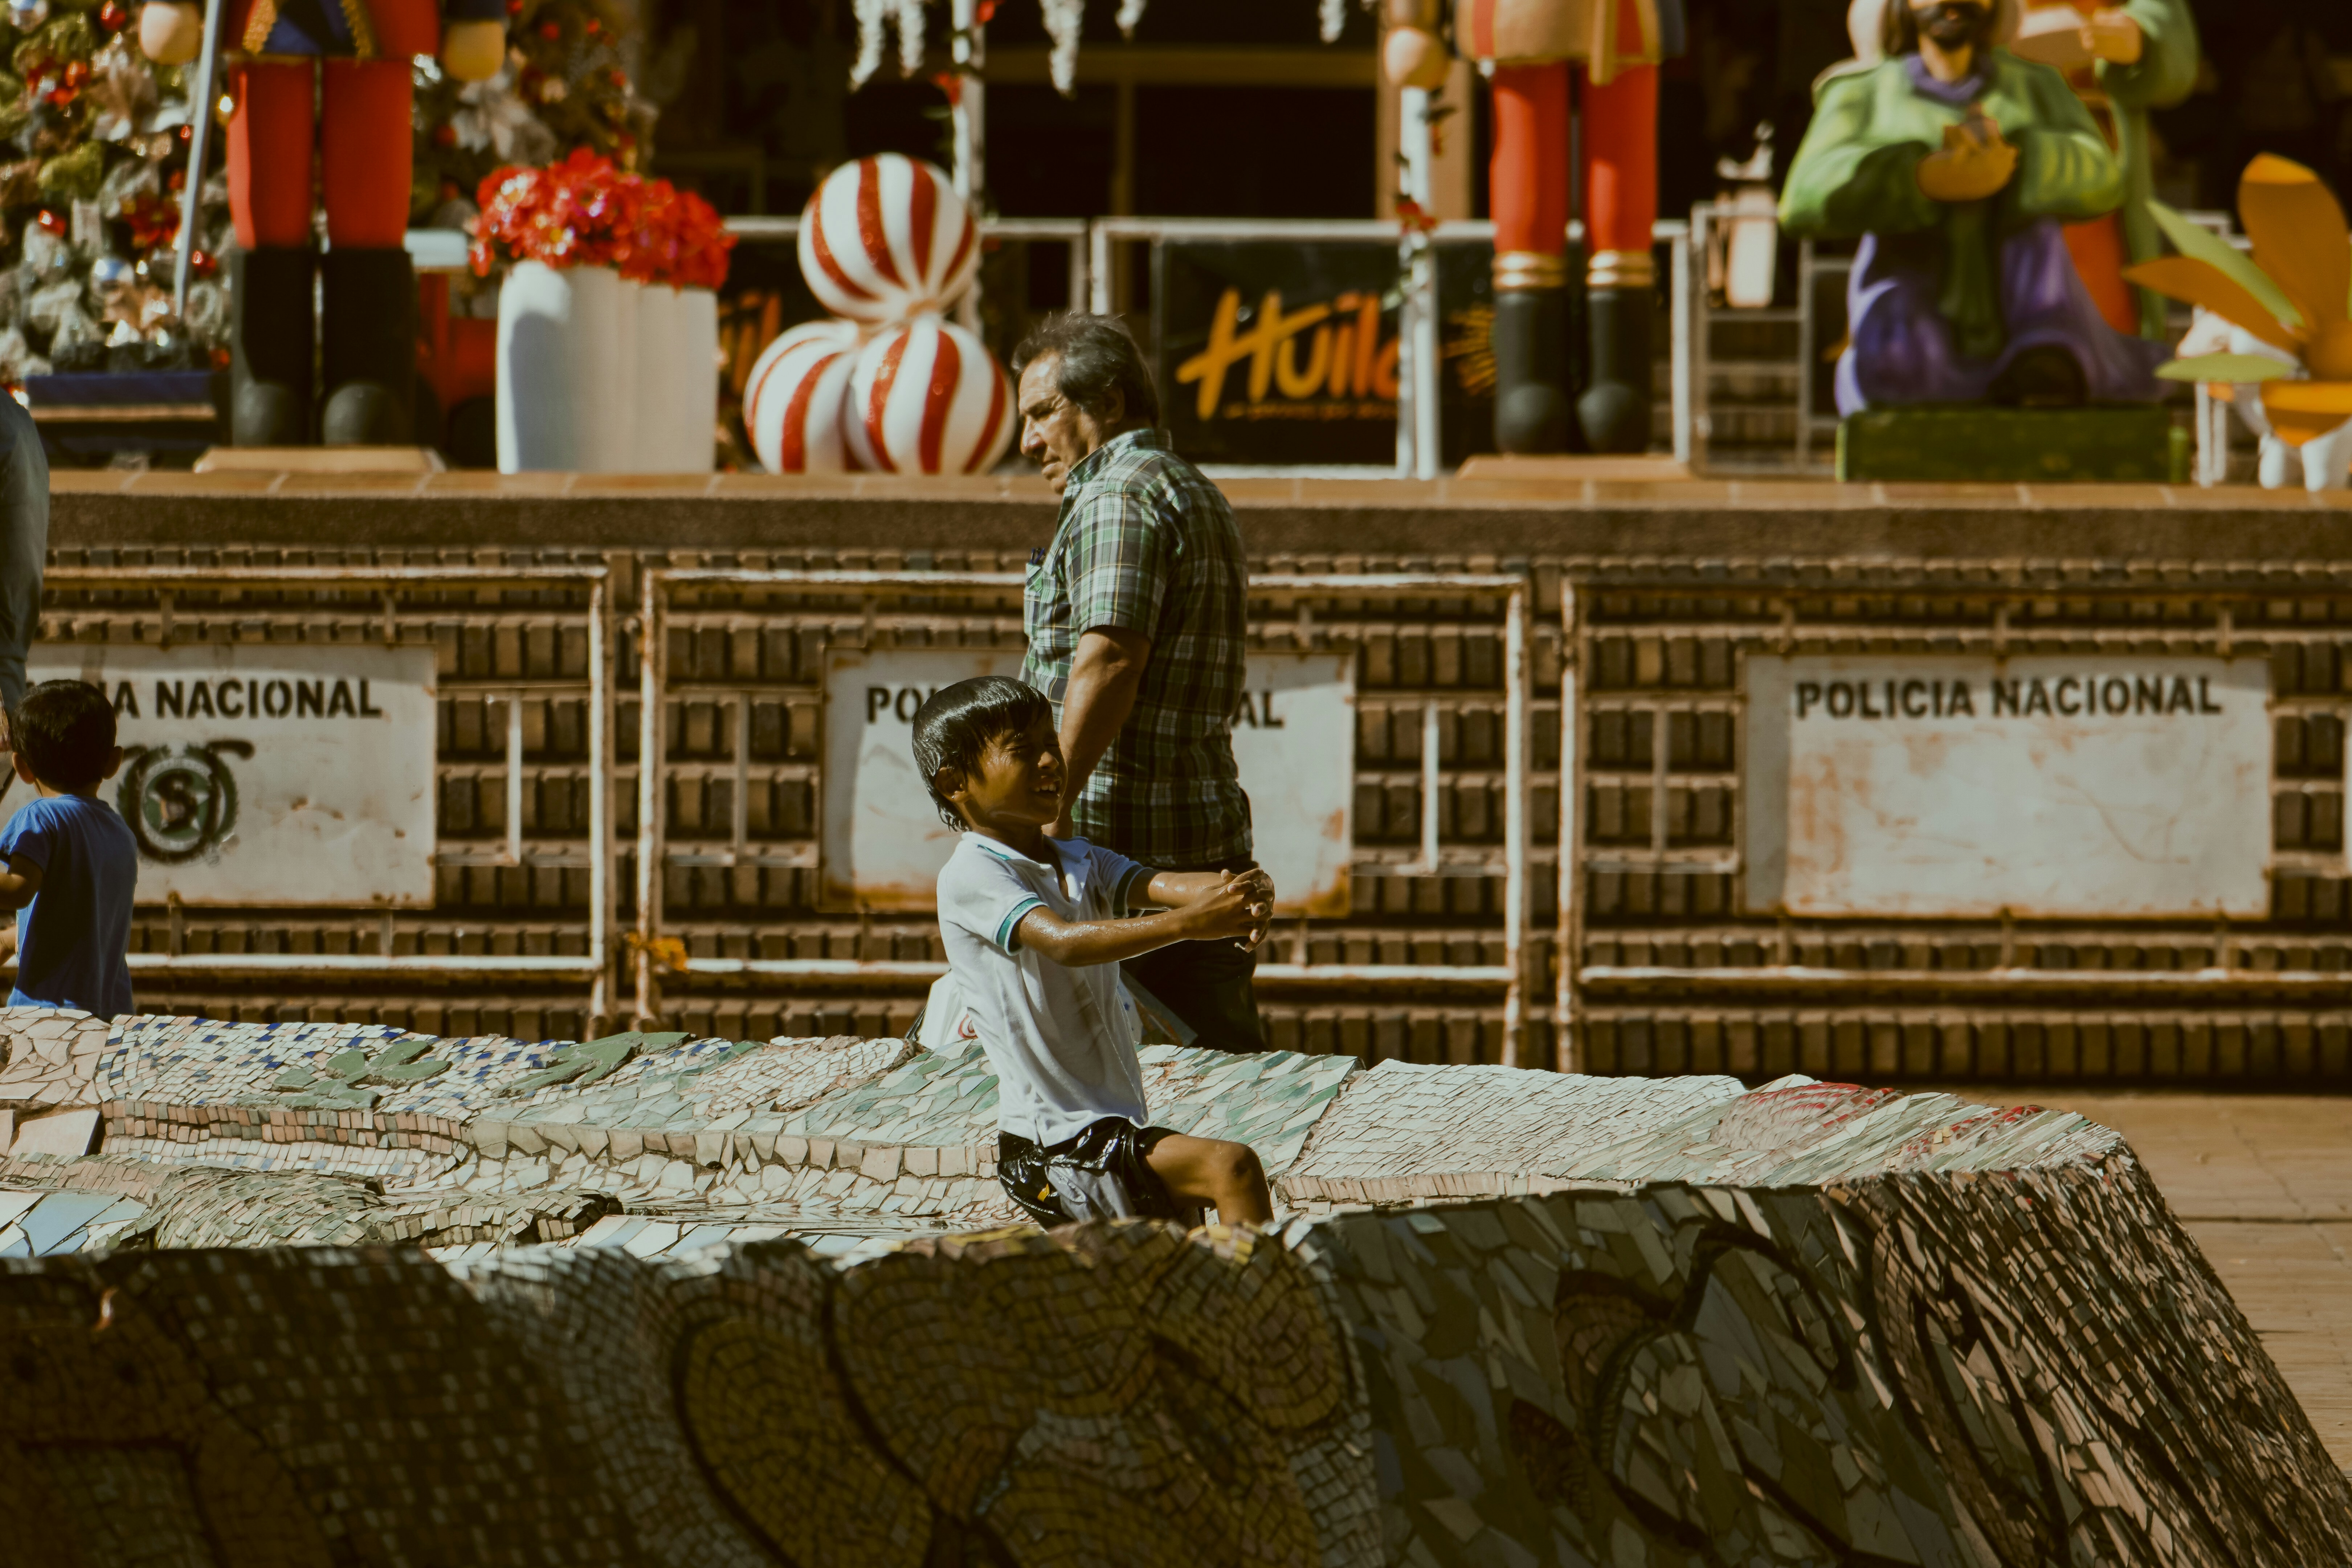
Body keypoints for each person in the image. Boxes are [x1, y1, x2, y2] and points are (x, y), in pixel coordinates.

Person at [915, 675, 1275, 1228]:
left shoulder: (1081, 859)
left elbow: (1163, 885)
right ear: (954, 782)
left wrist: (1241, 892)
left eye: (1050, 745)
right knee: (1232, 1169)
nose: (1048, 761)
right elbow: (1061, 943)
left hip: (1110, 1124)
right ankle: (1271, 1313)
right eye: (1022, 751)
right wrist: (1191, 925)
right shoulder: (973, 873)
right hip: (1054, 1142)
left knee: (1168, 1261)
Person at [1011, 312, 1266, 1053]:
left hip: (1120, 864)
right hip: (1194, 847)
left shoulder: (1117, 493)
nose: (1028, 443)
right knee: (1217, 1089)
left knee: (1127, 1103)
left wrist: (1044, 815)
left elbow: (1111, 658)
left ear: (1110, 405)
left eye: (1041, 413)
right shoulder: (1194, 490)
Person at [1779, 0, 2168, 411]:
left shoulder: (2036, 85)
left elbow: (2102, 175)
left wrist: (2022, 163)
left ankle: (2044, 350)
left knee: (2036, 255)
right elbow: (1805, 194)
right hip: (1911, 298)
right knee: (1899, 362)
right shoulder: (1862, 92)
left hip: (2031, 305)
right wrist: (1919, 179)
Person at [0, 680, 136, 1018]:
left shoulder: (40, 818)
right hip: (110, 1017)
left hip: (47, 1019)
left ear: (22, 767)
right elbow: (83, 919)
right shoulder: (120, 831)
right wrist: (9, 939)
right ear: (113, 761)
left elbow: (18, 891)